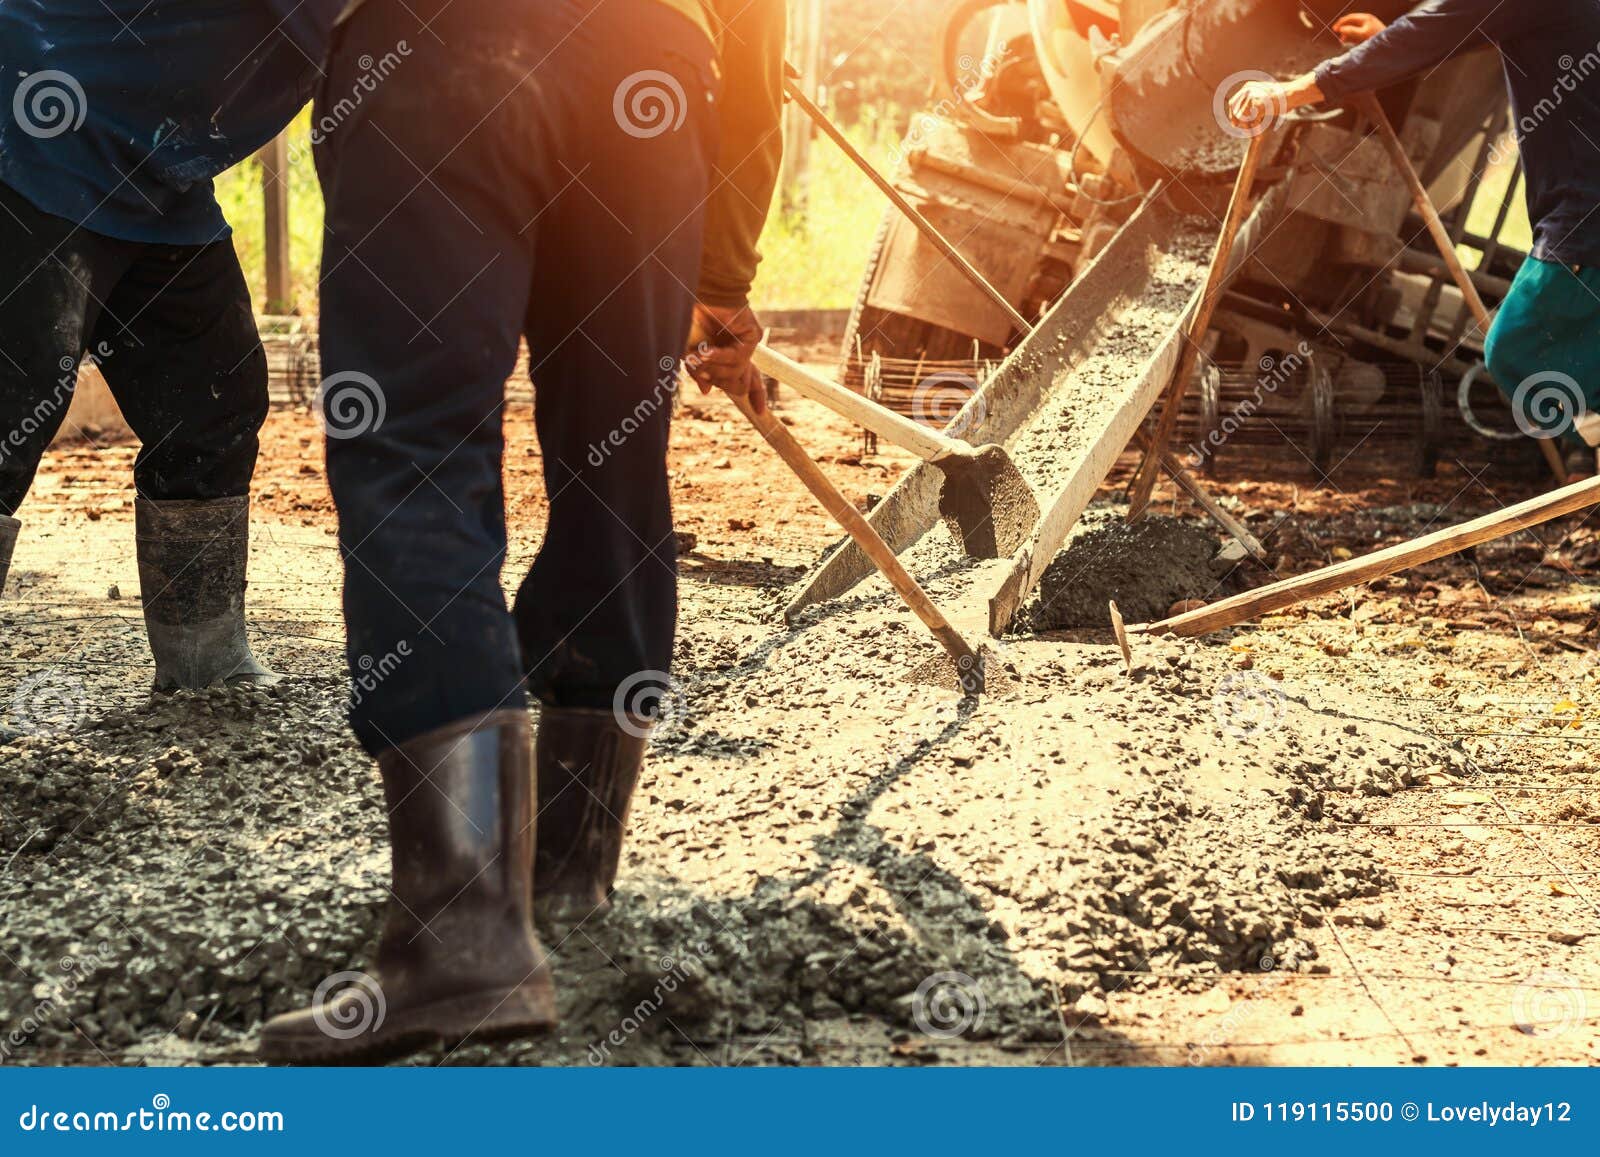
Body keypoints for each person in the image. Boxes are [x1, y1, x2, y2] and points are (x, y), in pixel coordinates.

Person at [259, 0, 785, 1063]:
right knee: (615, 449)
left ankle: (466, 931)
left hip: (443, 53)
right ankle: (570, 873)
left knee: (413, 443)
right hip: (656, 64)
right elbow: (759, 29)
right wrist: (722, 268)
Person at [0, 2, 342, 693]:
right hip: (42, 131)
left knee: (215, 390)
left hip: (158, 171)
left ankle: (202, 656)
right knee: (14, 393)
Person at [1228, 2, 1600, 474]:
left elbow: (1437, 27)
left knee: (1517, 348)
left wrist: (1291, 91)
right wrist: (1391, 40)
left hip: (1584, 220)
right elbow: (1456, 28)